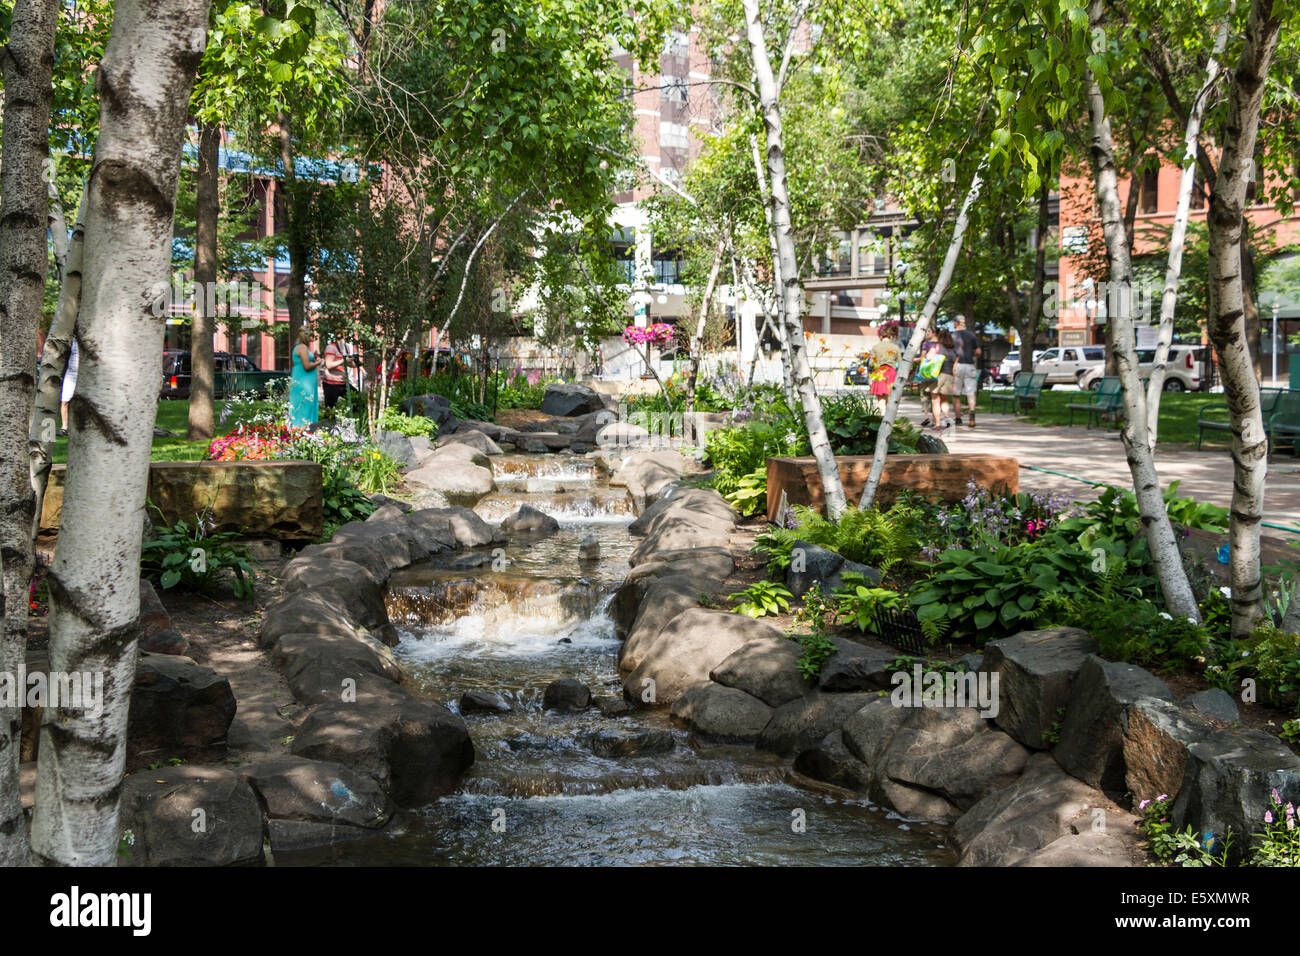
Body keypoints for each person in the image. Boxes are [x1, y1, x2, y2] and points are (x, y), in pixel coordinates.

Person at [951, 314, 981, 427]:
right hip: (969, 365)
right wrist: (970, 353)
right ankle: (972, 415)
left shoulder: (953, 336)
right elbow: (978, 352)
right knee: (970, 393)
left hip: (957, 365)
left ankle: (958, 418)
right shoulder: (971, 336)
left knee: (956, 393)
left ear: (956, 323)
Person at [288, 328, 322, 427]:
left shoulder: (303, 347)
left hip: (306, 381)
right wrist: (318, 363)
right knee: (304, 404)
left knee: (308, 404)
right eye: (311, 336)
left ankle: (307, 428)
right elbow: (306, 366)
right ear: (306, 336)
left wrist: (314, 358)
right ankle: (301, 428)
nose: (313, 338)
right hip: (303, 382)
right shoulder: (302, 347)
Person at [868, 321, 900, 413]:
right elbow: (901, 364)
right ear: (891, 336)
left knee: (880, 398)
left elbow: (871, 363)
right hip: (891, 373)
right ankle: (887, 417)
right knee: (889, 397)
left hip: (879, 372)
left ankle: (882, 415)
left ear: (881, 336)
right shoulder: (895, 347)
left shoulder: (875, 347)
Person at [931, 329, 957, 430]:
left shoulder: (936, 346)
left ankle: (937, 424)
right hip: (949, 375)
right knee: (945, 400)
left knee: (935, 400)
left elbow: (928, 357)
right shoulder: (953, 350)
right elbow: (955, 366)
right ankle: (946, 420)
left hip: (937, 375)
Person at [916, 327, 940, 426]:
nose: (926, 333)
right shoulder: (940, 344)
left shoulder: (926, 344)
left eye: (928, 331)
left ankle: (926, 416)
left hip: (926, 372)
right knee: (935, 397)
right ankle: (935, 420)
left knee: (924, 394)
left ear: (934, 333)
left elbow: (923, 357)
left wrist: (913, 360)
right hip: (936, 372)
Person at [322, 338, 349, 409]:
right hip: (331, 383)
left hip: (343, 382)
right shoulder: (331, 347)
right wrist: (344, 360)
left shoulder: (346, 347)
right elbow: (329, 365)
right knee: (330, 409)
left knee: (357, 400)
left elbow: (350, 363)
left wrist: (356, 362)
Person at [59, 339, 79, 435]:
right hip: (70, 373)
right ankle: (64, 427)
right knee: (65, 401)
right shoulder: (71, 341)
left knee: (78, 403)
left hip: (82, 374)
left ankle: (75, 428)